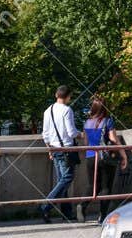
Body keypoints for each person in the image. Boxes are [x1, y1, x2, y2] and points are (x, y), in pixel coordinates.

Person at [40, 85, 81, 223]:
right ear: (68, 96)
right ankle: (46, 205)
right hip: (67, 150)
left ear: (56, 95)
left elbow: (45, 135)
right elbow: (71, 133)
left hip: (55, 149)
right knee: (67, 178)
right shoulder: (67, 110)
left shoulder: (48, 110)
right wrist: (81, 134)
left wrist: (50, 150)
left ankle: (66, 213)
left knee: (61, 181)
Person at [83, 97, 127, 222]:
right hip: (105, 158)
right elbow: (114, 140)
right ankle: (102, 216)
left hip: (91, 156)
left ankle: (82, 206)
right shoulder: (108, 121)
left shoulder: (87, 123)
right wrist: (123, 155)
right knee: (106, 187)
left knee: (92, 185)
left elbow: (85, 142)